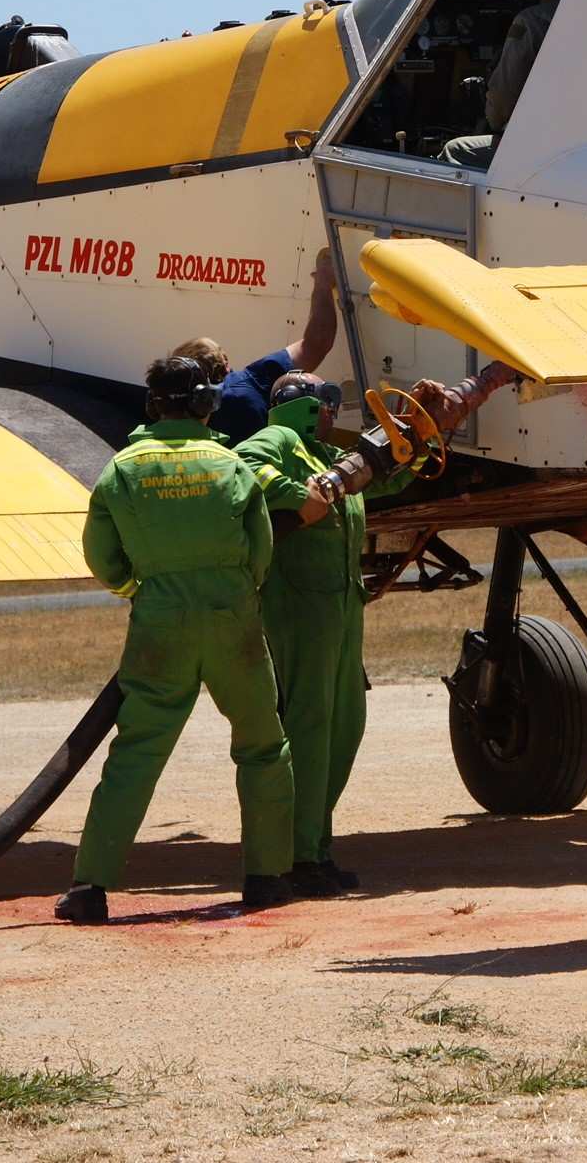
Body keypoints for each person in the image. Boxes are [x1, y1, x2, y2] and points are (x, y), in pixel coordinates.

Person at [55, 356, 297, 923]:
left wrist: (140, 588)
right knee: (263, 743)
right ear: (207, 404)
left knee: (136, 751)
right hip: (232, 615)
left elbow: (103, 558)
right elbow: (260, 549)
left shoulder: (121, 469)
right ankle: (267, 878)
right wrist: (233, 587)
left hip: (159, 619)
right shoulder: (230, 464)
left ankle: (90, 888)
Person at [234, 369, 444, 895]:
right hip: (300, 609)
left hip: (342, 613)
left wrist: (416, 435)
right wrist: (296, 494)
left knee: (342, 729)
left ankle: (316, 846)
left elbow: (390, 476)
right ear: (302, 406)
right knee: (308, 731)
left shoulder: (331, 460)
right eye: (327, 400)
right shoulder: (280, 440)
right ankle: (299, 857)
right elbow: (246, 469)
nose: (334, 410)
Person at [441, 0, 579, 172]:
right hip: (584, 140)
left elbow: (499, 111)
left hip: (547, 147)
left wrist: (486, 100)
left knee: (456, 151)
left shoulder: (531, 22)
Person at [174, 249, 341, 446]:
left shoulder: (179, 414)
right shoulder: (252, 381)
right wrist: (323, 280)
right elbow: (316, 343)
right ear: (225, 364)